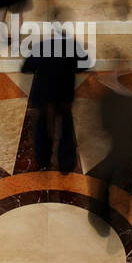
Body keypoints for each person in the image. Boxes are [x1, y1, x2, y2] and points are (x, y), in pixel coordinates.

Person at [21, 12, 85, 174]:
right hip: (63, 94)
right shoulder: (73, 46)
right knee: (66, 127)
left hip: (43, 95)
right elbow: (84, 65)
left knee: (42, 127)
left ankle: (42, 159)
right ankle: (66, 164)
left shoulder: (42, 46)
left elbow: (26, 68)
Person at [90, 64, 132, 230]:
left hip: (115, 151)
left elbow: (104, 125)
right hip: (130, 154)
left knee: (105, 181)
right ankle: (123, 220)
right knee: (127, 187)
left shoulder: (107, 100)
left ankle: (99, 216)